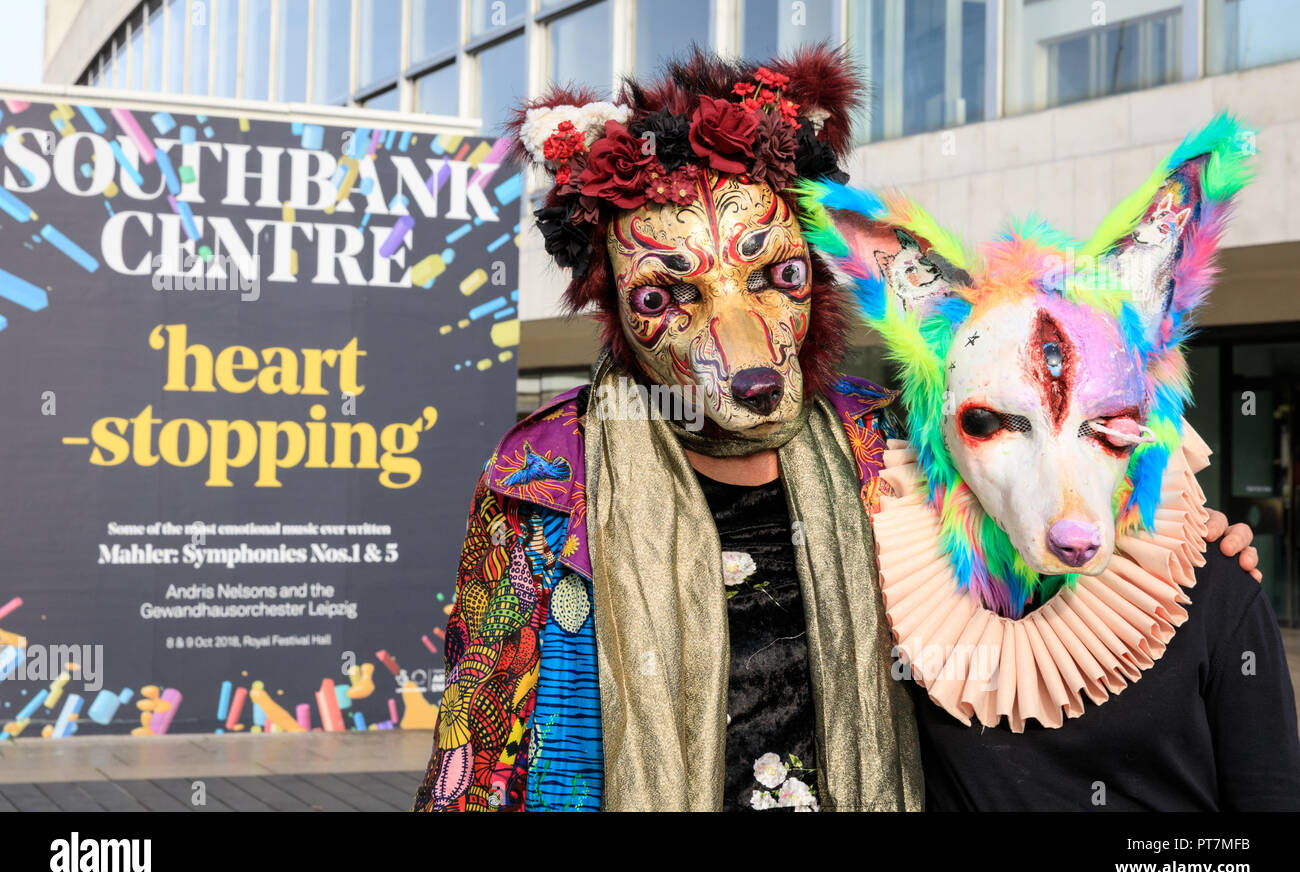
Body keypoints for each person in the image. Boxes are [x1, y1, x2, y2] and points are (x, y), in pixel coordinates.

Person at [411, 47, 1268, 813]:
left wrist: (1198, 547)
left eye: (774, 273)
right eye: (666, 295)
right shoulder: (543, 477)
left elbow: (1038, 512)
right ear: (613, 308)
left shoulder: (881, 438)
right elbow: (475, 755)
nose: (744, 349)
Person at [801, 112, 1300, 810]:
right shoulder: (898, 587)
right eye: (994, 422)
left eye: (1107, 427)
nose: (1068, 513)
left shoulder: (1219, 595)